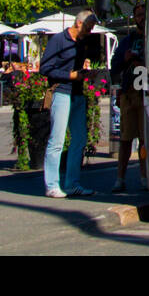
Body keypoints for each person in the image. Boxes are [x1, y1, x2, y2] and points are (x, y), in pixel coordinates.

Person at [40, 11, 98, 198]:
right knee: (57, 140)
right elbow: (45, 68)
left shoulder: (81, 43)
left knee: (79, 138)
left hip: (77, 93)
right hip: (62, 92)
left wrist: (84, 74)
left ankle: (72, 183)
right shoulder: (59, 40)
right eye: (88, 27)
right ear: (79, 23)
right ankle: (52, 184)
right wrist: (70, 75)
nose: (90, 31)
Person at [112, 4, 148, 193]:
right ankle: (120, 177)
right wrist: (125, 59)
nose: (141, 18)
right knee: (125, 138)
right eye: (138, 15)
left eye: (144, 15)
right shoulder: (128, 40)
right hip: (129, 91)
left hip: (146, 92)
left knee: (144, 138)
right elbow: (114, 66)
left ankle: (144, 175)